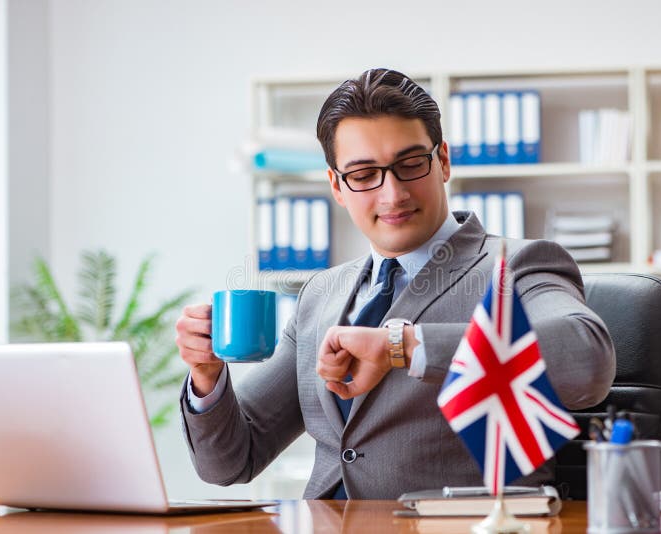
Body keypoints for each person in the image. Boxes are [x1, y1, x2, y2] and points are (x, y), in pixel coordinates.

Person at [175, 68, 615, 500]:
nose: (393, 194)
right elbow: (230, 462)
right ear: (337, 186)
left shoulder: (515, 265)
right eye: (363, 174)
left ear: (443, 161)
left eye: (410, 164)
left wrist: (401, 345)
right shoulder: (320, 295)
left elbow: (586, 362)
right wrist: (206, 376)